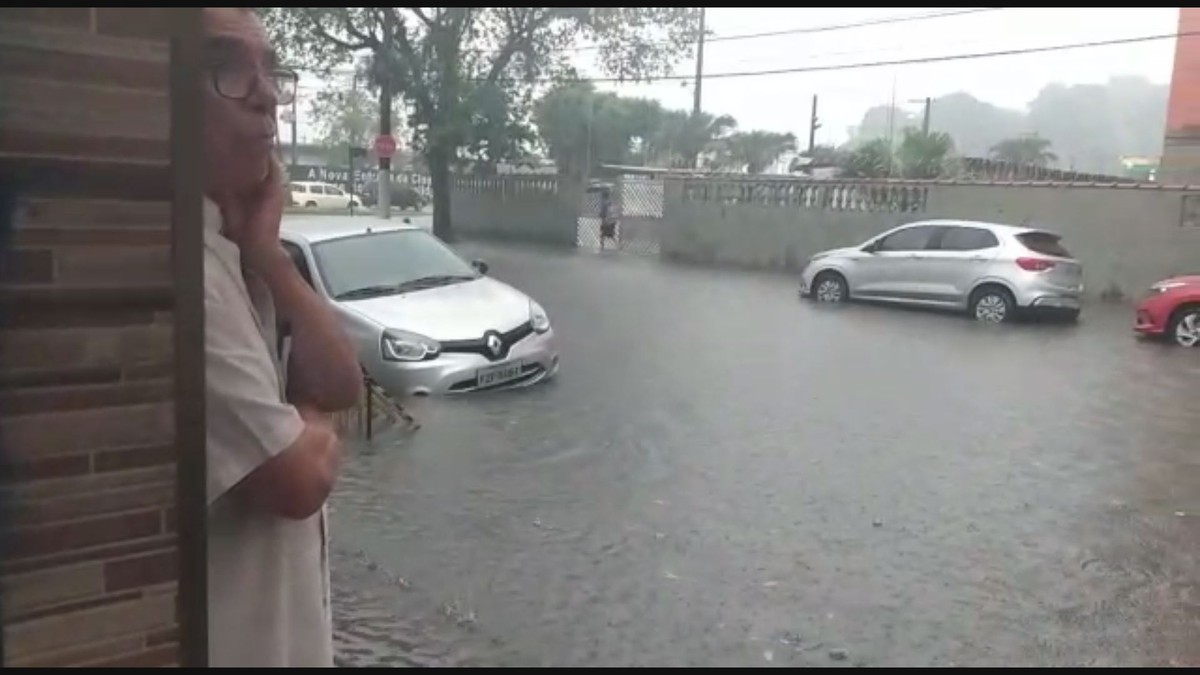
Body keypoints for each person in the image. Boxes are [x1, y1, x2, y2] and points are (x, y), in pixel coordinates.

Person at [202, 7, 362, 667]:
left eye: (270, 69)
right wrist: (308, 421)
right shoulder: (180, 265)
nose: (267, 92)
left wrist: (268, 255)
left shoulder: (231, 249)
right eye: (230, 67)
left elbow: (344, 382)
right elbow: (298, 477)